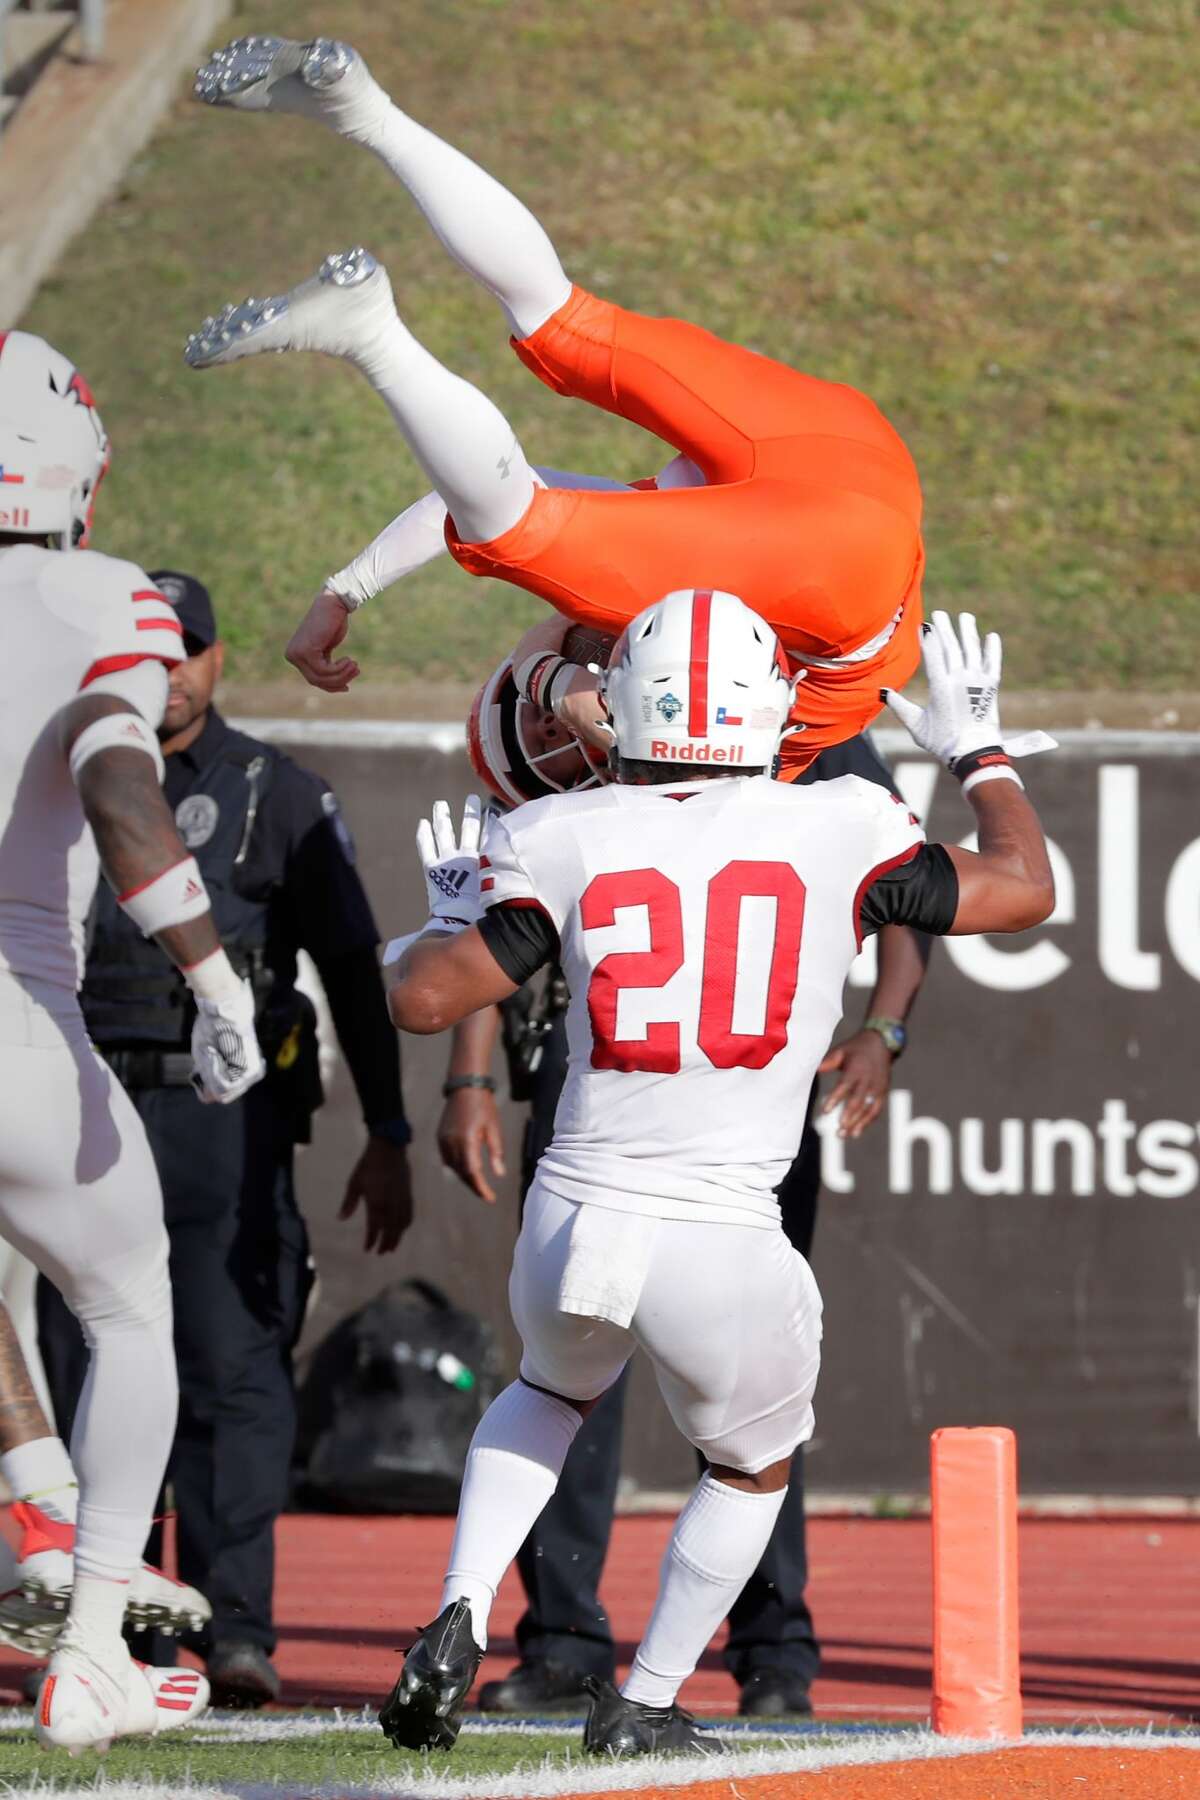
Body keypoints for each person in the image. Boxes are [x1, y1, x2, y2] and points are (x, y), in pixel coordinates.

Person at [376, 593, 1054, 1759]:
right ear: (773, 706)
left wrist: (447, 916)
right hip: (721, 1229)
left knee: (547, 1390)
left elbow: (422, 998)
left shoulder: (563, 831)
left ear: (624, 707)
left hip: (574, 1213)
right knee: (752, 1462)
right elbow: (1023, 885)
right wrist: (977, 748)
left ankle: (457, 1611)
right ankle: (643, 1697)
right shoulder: (841, 820)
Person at [186, 31, 926, 774]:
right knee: (519, 525)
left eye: (536, 723)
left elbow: (489, 493)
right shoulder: (727, 740)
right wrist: (549, 678)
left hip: (862, 460)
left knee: (564, 322)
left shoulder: (703, 566)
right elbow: (695, 791)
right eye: (561, 739)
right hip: (838, 572)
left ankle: (363, 109)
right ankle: (369, 332)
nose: (565, 725)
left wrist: (345, 591)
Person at [440, 727, 930, 1717]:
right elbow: (506, 908)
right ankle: (571, 1642)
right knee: (703, 1408)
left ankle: (770, 1646)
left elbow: (906, 905)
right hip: (610, 1088)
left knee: (618, 1389)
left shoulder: (819, 730)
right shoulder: (594, 700)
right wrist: (472, 1071)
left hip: (719, 1119)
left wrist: (883, 1027)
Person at [36, 570, 415, 1708]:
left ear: (215, 659)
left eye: (193, 649)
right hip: (85, 1100)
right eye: (161, 647)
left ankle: (236, 1625)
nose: (176, 670)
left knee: (232, 1366)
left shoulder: (274, 791)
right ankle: (110, 1619)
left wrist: (389, 1126)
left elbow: (351, 965)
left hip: (223, 1120)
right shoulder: (59, 773)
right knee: (74, 1359)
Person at [0, 329, 264, 1750]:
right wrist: (213, 980)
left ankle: (31, 1518)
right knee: (126, 1307)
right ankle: (94, 1639)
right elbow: (116, 781)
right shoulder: (103, 597)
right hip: (17, 1026)